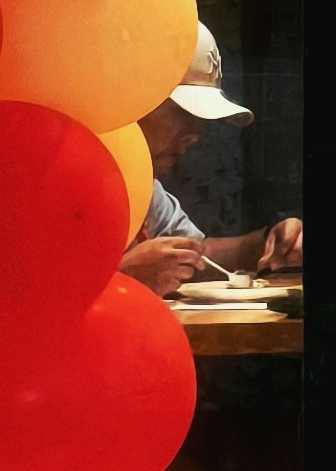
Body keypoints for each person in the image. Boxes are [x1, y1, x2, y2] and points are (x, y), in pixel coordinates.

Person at [120, 26, 302, 293]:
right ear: (132, 99)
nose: (195, 133)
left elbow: (192, 254)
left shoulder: (144, 187)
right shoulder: (54, 177)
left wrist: (266, 244)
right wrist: (124, 277)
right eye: (182, 111)